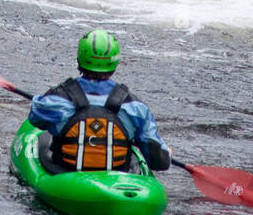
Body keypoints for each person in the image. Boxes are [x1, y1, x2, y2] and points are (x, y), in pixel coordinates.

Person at [28, 30, 171, 173]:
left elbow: (35, 120)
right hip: (117, 179)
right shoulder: (135, 107)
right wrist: (167, 154)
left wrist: (38, 101)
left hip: (66, 175)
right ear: (115, 63)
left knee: (44, 138)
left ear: (79, 59)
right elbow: (158, 161)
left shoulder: (57, 100)